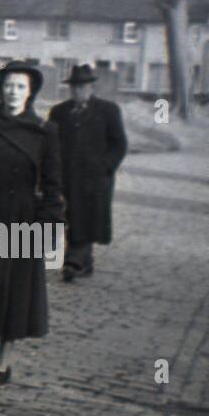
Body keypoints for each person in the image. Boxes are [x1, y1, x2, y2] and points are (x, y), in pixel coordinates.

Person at [0, 61, 65, 385]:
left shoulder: (45, 131)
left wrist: (49, 227)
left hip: (24, 217)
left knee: (15, 290)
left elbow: (52, 184)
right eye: (8, 85)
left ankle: (4, 357)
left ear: (30, 91)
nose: (13, 92)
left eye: (20, 86)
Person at [48, 64, 127, 283]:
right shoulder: (59, 112)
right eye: (74, 87)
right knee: (70, 215)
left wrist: (104, 167)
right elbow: (50, 143)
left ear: (91, 87)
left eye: (82, 87)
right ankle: (83, 261)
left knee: (89, 217)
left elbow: (119, 144)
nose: (78, 91)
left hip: (95, 178)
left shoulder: (108, 110)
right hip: (67, 176)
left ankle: (75, 260)